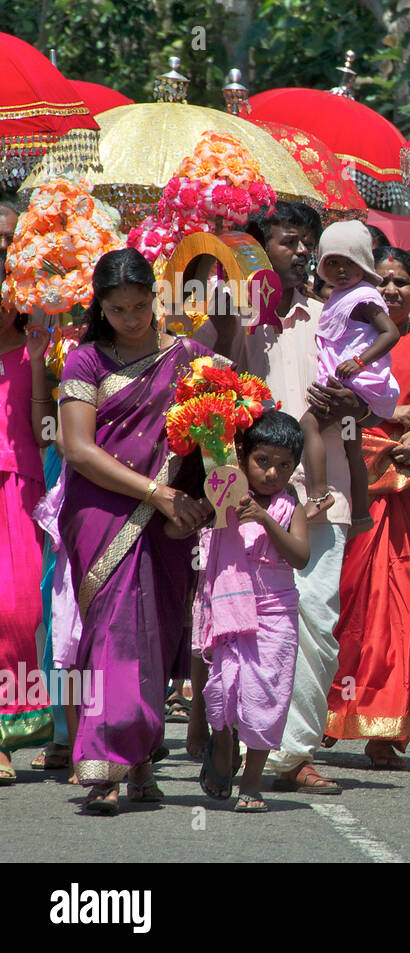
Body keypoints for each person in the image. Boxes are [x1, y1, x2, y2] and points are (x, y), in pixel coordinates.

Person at [197, 199, 357, 796]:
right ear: (258, 249)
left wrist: (355, 406)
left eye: (304, 243)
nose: (300, 253)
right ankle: (226, 732)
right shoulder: (235, 318)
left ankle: (292, 753)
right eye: (287, 241)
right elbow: (205, 387)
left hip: (322, 496)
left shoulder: (331, 318)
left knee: (312, 623)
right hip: (242, 500)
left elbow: (362, 396)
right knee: (237, 624)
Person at [59, 248, 215, 813]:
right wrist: (155, 493)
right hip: (102, 510)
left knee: (159, 632)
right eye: (119, 308)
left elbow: (217, 435)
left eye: (141, 305)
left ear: (156, 299)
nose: (132, 318)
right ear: (100, 307)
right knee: (114, 634)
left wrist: (196, 501)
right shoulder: (86, 364)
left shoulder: (192, 359)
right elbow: (76, 448)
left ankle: (143, 755)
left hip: (172, 517)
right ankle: (103, 763)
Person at [325, 247, 410, 767]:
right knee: (348, 592)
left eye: (401, 282)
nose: (390, 291)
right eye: (380, 281)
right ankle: (334, 709)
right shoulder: (343, 338)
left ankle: (389, 726)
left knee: (407, 597)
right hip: (355, 475)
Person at [190, 410, 310, 812]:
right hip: (228, 609)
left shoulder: (291, 505)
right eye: (263, 461)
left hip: (275, 613)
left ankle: (253, 783)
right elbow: (190, 528)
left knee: (267, 697)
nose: (272, 473)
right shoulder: (224, 494)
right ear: (242, 456)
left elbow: (300, 556)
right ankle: (221, 743)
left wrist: (264, 519)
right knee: (225, 688)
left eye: (284, 465)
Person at [300, 220, 401, 532]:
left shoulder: (363, 298)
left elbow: (391, 333)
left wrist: (359, 361)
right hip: (352, 384)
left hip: (350, 382)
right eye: (333, 262)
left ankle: (317, 493)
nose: (341, 270)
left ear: (363, 264)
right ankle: (360, 514)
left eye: (349, 263)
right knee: (351, 445)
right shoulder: (340, 297)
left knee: (308, 425)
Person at [0, 296, 54, 780]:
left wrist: (37, 365)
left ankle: (13, 723)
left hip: (19, 486)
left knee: (20, 611)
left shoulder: (36, 347)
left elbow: (43, 433)